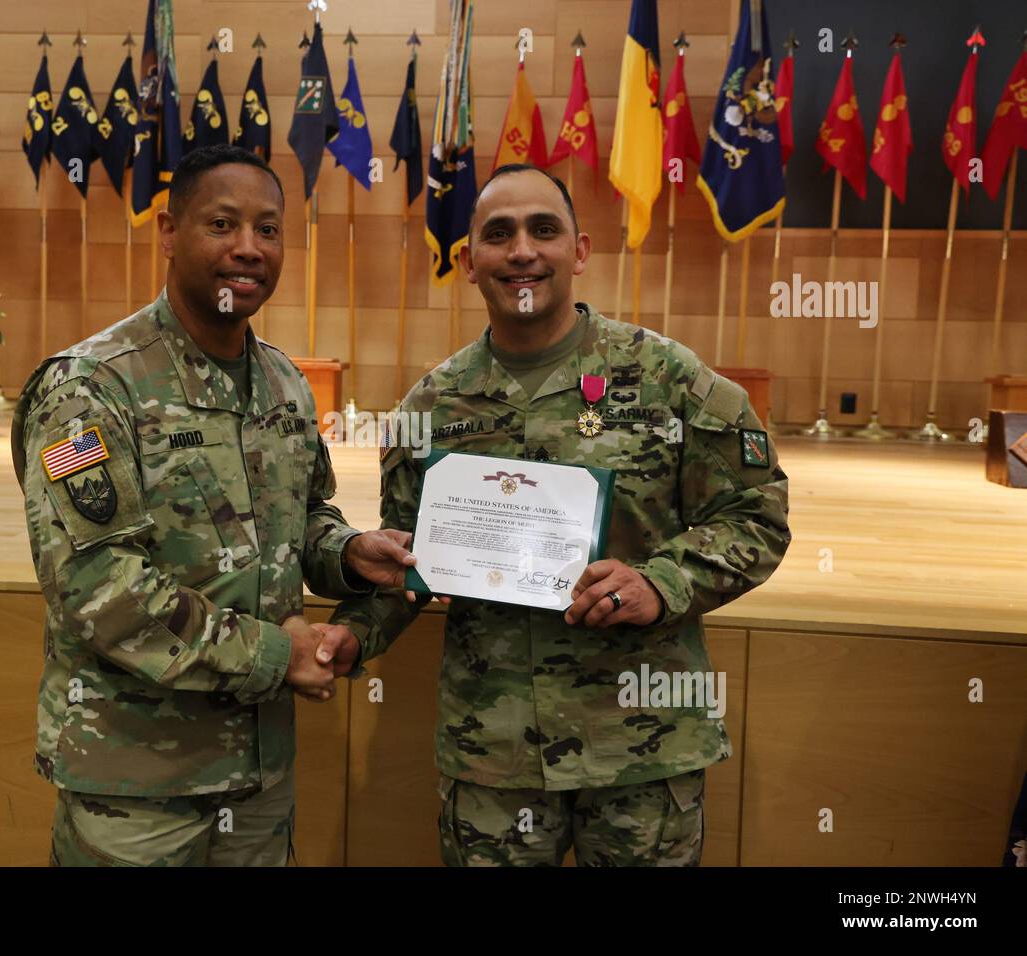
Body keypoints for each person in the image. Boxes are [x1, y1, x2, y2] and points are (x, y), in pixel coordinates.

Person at [324, 163, 791, 866]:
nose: (521, 251)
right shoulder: (429, 410)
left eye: (544, 230)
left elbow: (757, 514)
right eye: (498, 234)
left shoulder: (669, 380)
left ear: (579, 250)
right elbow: (412, 565)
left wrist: (661, 581)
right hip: (494, 751)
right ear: (468, 259)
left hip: (642, 746)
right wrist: (349, 638)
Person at [11, 144, 411, 867]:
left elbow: (304, 520)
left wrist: (349, 553)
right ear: (168, 232)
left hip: (257, 776)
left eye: (268, 229)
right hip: (135, 786)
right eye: (222, 225)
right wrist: (272, 654)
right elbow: (97, 587)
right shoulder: (91, 388)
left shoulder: (285, 382)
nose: (248, 249)